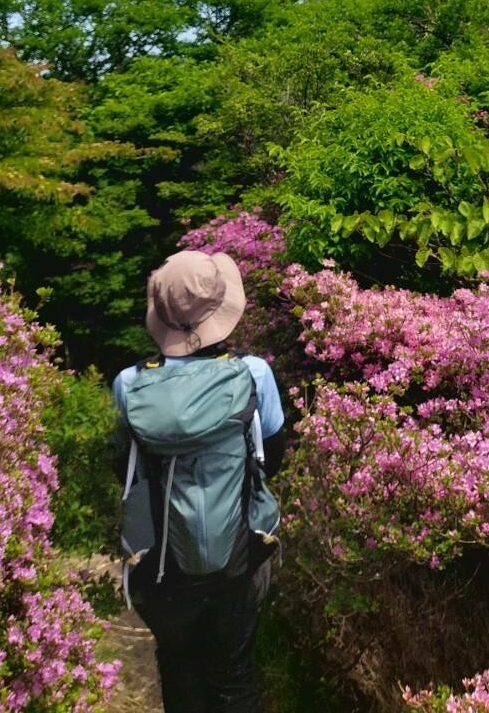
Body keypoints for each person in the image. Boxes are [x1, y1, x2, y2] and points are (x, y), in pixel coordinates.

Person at [112, 249, 286, 713]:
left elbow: (125, 469)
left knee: (178, 667)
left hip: (163, 566)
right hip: (239, 557)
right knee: (235, 672)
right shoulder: (254, 375)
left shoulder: (129, 385)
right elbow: (273, 458)